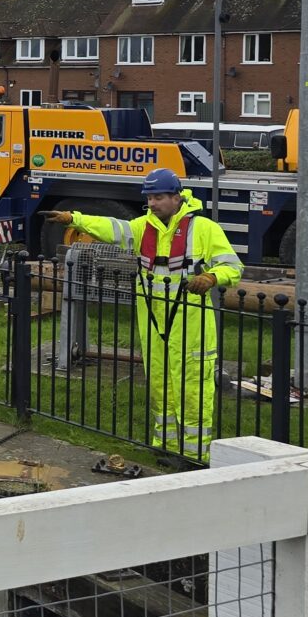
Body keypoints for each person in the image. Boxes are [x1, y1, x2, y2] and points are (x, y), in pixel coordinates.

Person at [51, 167, 244, 463]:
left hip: (191, 323)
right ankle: (164, 445)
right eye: (149, 198)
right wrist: (75, 219)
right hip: (154, 322)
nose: (152, 203)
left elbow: (233, 266)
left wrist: (212, 278)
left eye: (158, 197)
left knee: (192, 387)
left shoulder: (204, 229)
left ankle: (194, 454)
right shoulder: (143, 227)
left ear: (176, 197)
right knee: (160, 383)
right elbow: (112, 228)